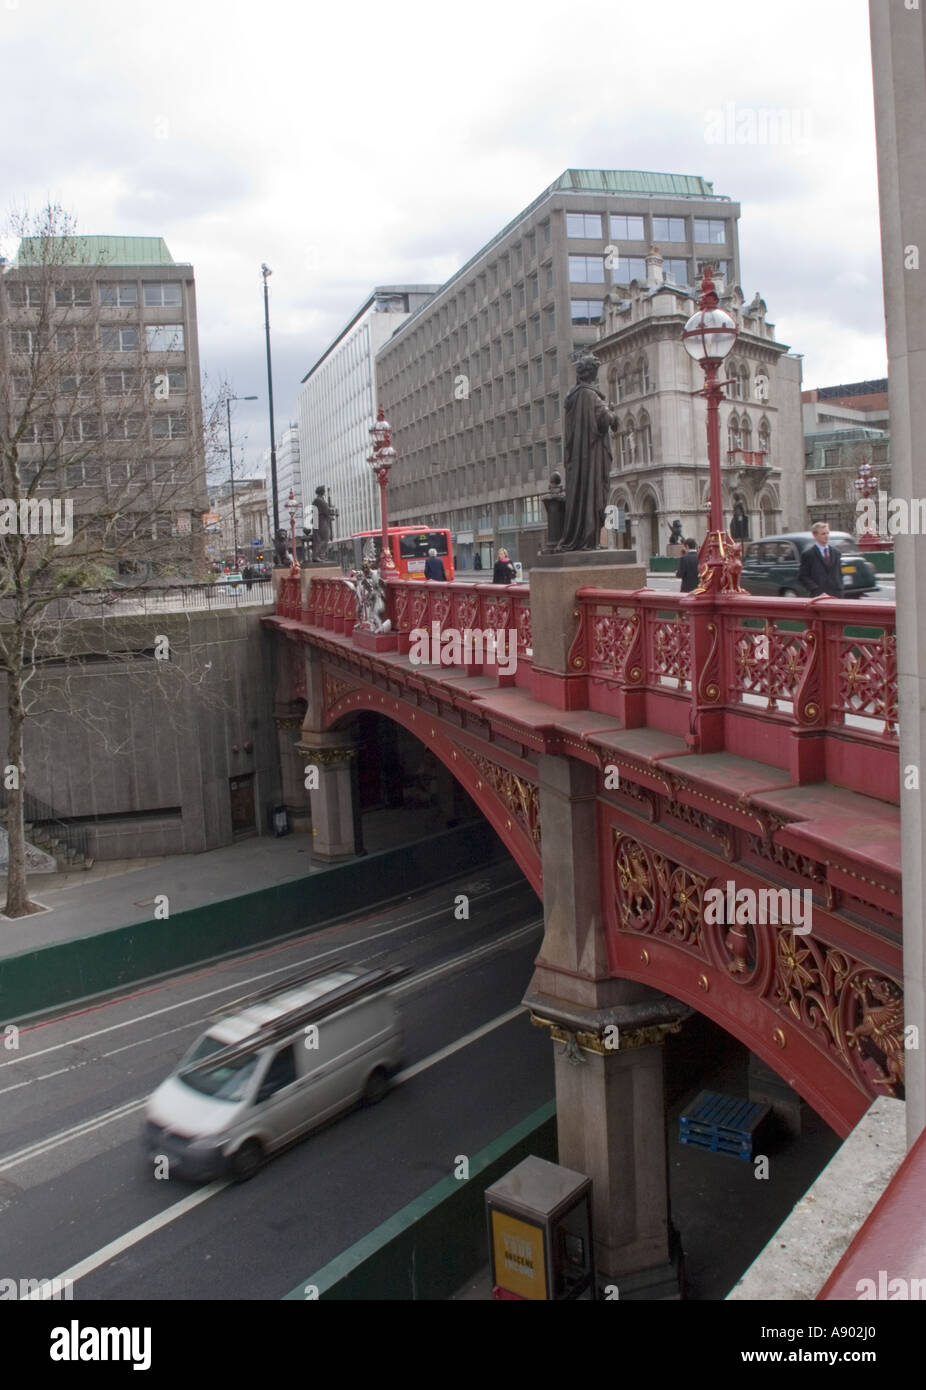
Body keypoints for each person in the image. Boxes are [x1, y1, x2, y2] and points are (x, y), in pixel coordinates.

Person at [559, 353, 617, 552]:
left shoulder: (573, 396)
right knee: (595, 496)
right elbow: (602, 422)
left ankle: (584, 537)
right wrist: (612, 414)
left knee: (580, 496)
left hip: (578, 460)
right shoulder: (590, 395)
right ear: (592, 373)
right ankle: (588, 539)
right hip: (591, 459)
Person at [797, 521, 844, 597]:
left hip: (837, 595)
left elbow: (839, 574)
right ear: (815, 535)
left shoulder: (836, 553)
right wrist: (816, 590)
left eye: (827, 533)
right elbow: (803, 576)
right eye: (823, 534)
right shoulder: (808, 555)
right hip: (819, 596)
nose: (826, 536)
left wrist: (840, 588)